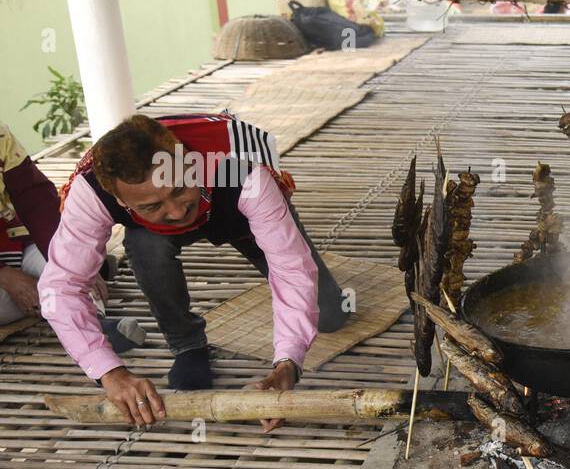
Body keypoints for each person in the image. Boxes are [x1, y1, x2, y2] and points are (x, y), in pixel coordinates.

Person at [38, 113, 348, 431]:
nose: (175, 211)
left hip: (239, 218)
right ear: (119, 199)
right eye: (151, 205)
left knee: (330, 315)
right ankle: (186, 344)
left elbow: (291, 271)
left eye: (178, 189)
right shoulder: (91, 191)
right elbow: (59, 287)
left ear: (188, 162)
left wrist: (288, 364)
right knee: (146, 244)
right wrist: (108, 372)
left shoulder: (241, 169)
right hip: (154, 233)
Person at [0, 121, 140, 349]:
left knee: (68, 265)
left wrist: (71, 255)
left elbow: (36, 202)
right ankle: (73, 291)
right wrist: (6, 276)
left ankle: (97, 326)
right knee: (64, 281)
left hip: (18, 241)